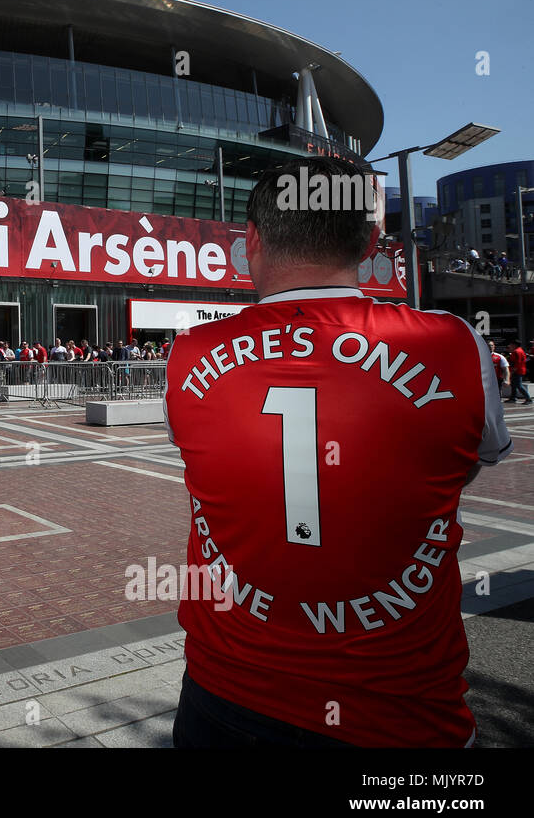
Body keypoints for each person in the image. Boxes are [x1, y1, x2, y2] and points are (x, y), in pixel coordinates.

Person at [164, 156, 511, 748]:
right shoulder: (454, 346)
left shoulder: (190, 354)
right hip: (400, 717)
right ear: (372, 240)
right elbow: (473, 461)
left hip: (222, 697)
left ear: (252, 239)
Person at [505, 339, 530, 404]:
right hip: (519, 370)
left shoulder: (517, 351)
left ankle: (528, 399)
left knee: (519, 385)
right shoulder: (520, 350)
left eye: (511, 344)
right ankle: (513, 398)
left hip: (518, 371)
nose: (510, 345)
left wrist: (513, 371)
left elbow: (517, 363)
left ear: (514, 345)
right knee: (513, 385)